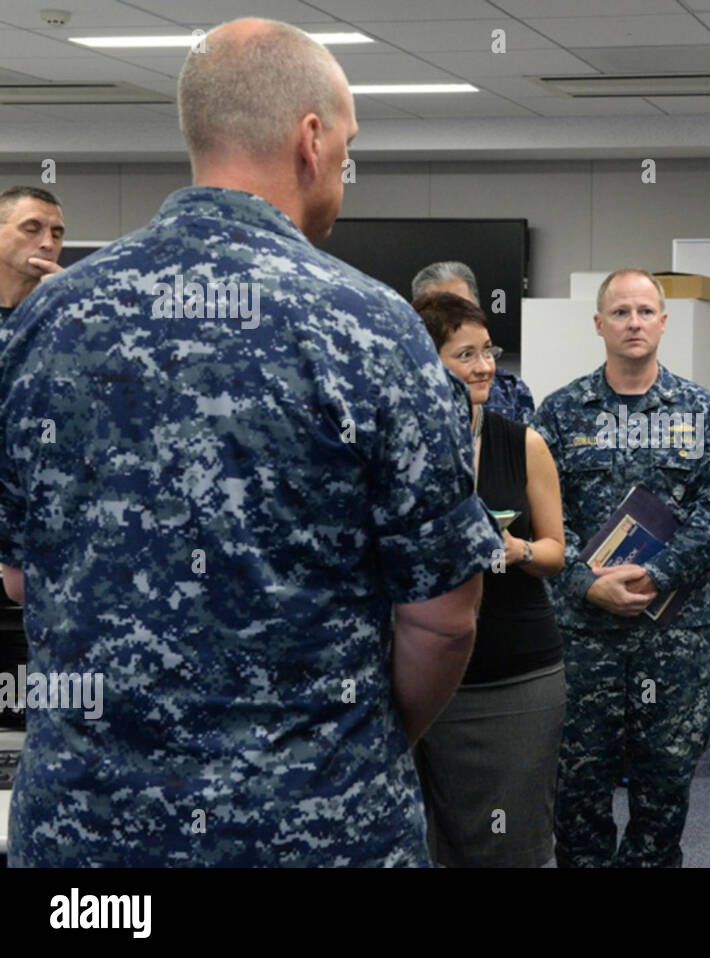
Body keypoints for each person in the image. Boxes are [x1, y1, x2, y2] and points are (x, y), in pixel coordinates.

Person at [0, 18, 499, 867]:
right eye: (347, 142)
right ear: (310, 139)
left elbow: (17, 573)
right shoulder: (372, 328)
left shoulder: (48, 318)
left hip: (90, 840)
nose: (345, 165)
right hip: (314, 825)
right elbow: (443, 619)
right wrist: (359, 744)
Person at [534, 267, 710, 867]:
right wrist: (585, 582)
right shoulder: (562, 413)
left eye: (646, 311)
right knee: (578, 788)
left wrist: (660, 575)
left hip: (672, 636)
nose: (633, 322)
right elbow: (545, 517)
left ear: (664, 322)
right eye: (620, 312)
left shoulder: (701, 412)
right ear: (598, 324)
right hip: (584, 636)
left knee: (667, 785)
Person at [408, 291, 566, 867]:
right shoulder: (401, 447)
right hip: (420, 676)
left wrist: (514, 548)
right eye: (464, 354)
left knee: (513, 845)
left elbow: (555, 552)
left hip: (514, 675)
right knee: (428, 843)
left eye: (488, 351)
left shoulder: (523, 442)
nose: (483, 367)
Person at [0, 186, 65, 731]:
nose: (47, 241)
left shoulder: (67, 324)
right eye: (31, 228)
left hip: (38, 539)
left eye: (57, 231)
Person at [411, 260, 535, 424]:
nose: (455, 318)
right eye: (440, 310)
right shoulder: (402, 392)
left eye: (463, 307)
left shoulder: (510, 391)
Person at [0, 186, 64, 321]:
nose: (49, 244)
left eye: (56, 235)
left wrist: (70, 301)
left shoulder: (71, 307)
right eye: (31, 230)